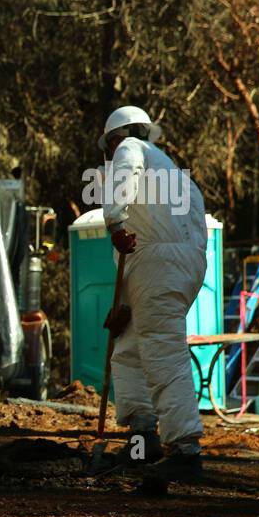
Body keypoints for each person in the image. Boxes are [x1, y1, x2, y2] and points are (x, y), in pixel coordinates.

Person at [99, 105, 207, 483]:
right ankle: (143, 438)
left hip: (158, 267)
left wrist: (114, 221)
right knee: (128, 346)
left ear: (117, 138)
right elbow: (183, 241)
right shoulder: (175, 174)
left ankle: (186, 450)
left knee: (163, 350)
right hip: (174, 268)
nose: (111, 157)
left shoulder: (131, 149)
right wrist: (127, 304)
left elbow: (124, 177)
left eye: (109, 149)